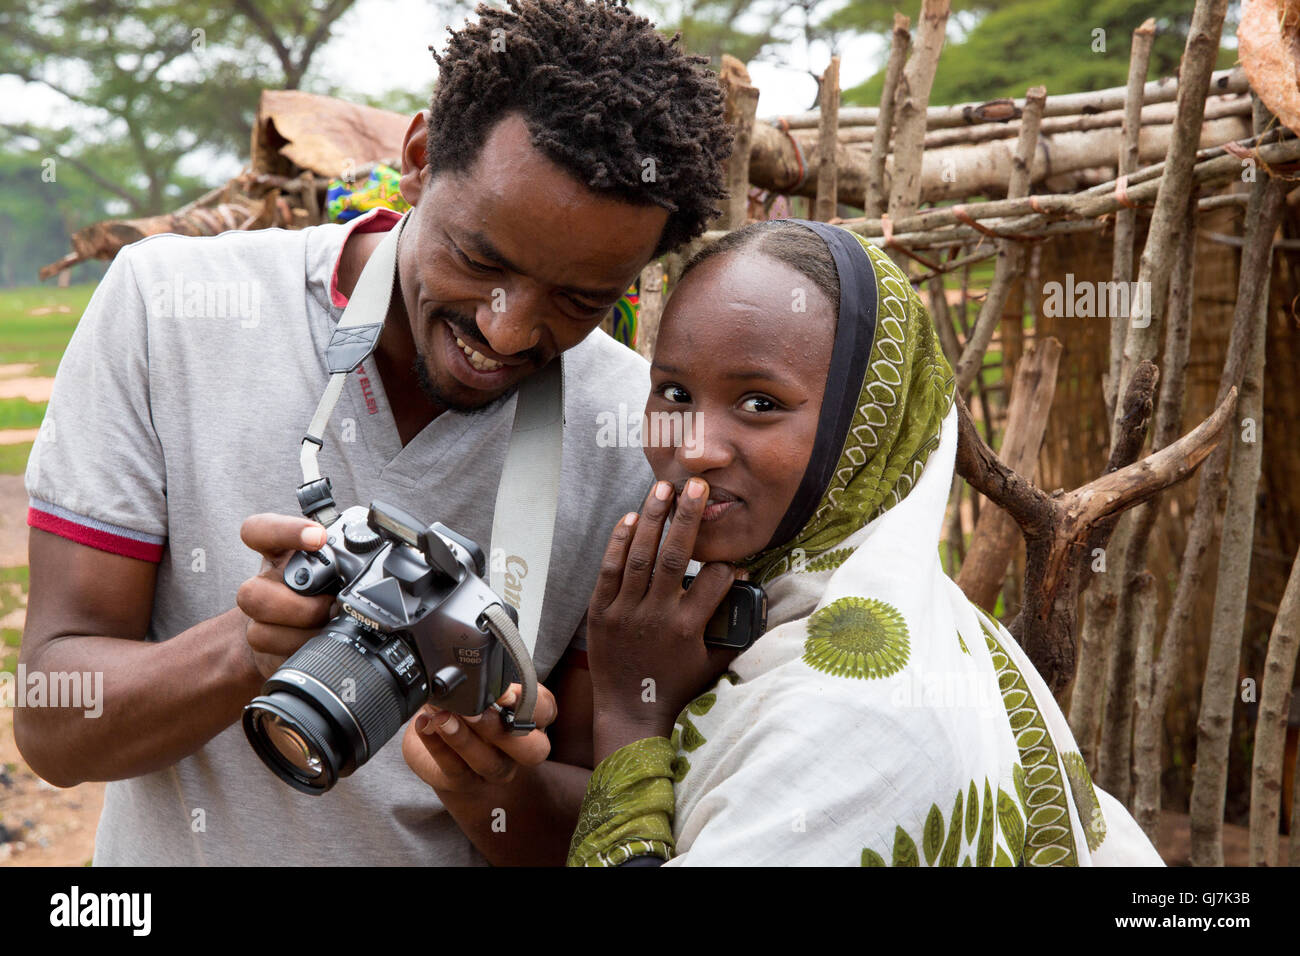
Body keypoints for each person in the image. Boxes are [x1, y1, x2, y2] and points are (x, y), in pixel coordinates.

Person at [16, 0, 731, 866]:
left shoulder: (636, 435)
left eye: (581, 301)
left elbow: (592, 827)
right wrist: (247, 646)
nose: (505, 333)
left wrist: (494, 786)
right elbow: (55, 732)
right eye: (481, 260)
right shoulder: (168, 308)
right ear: (422, 159)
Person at [566, 219, 1165, 866]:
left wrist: (631, 717)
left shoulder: (863, 705)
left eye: (760, 403)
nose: (693, 448)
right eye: (675, 393)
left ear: (866, 429)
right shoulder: (885, 621)